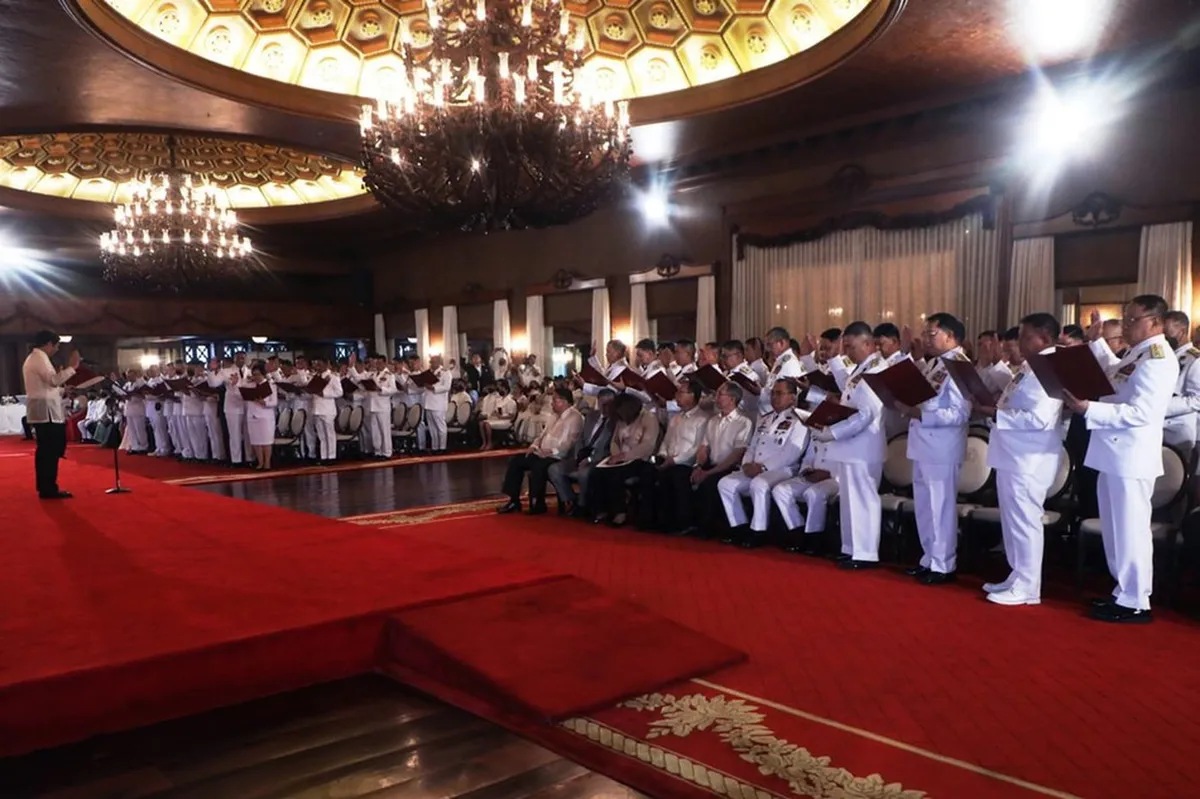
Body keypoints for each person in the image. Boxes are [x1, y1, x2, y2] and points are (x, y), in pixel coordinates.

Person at [1062, 295, 1178, 623]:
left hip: (1131, 455)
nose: (1126, 326)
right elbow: (1114, 373)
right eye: (1125, 320)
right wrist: (1098, 342)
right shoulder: (1137, 353)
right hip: (1113, 453)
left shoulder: (1158, 357)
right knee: (1114, 528)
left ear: (1155, 322)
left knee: (1131, 529)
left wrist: (1090, 409)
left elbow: (1142, 412)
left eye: (1133, 320)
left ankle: (1136, 599)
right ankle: (1122, 590)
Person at [973, 313, 1064, 606]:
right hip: (1013, 454)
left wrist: (996, 414)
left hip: (1030, 458)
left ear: (1045, 339)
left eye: (1026, 337)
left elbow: (1038, 418)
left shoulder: (1050, 367)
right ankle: (1017, 575)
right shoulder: (1032, 367)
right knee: (1013, 520)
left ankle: (1028, 587)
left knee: (1026, 521)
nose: (1020, 342)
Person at [896, 312, 971, 585]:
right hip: (924, 445)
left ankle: (944, 564)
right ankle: (929, 558)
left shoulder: (959, 365)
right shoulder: (937, 364)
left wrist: (919, 414)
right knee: (926, 507)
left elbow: (960, 413)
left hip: (942, 448)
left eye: (932, 334)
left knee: (941, 507)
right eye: (925, 333)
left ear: (950, 336)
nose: (926, 339)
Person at [812, 321, 889, 568]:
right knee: (849, 500)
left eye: (851, 347)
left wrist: (832, 433)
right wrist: (835, 359)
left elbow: (865, 414)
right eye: (845, 347)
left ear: (868, 344)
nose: (847, 352)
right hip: (851, 447)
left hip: (863, 448)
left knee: (863, 501)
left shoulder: (876, 370)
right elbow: (848, 387)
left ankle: (865, 553)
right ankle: (850, 547)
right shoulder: (862, 367)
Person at [717, 377, 807, 547]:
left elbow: (792, 452)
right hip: (755, 467)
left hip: (783, 469)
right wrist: (746, 464)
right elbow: (752, 446)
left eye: (779, 393)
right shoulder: (765, 418)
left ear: (792, 397)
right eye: (772, 393)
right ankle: (739, 526)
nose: (774, 397)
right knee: (725, 484)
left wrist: (764, 467)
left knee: (759, 484)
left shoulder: (798, 420)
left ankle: (758, 531)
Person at [496, 388, 584, 515]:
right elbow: (541, 435)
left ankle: (537, 502)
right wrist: (534, 446)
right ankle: (514, 500)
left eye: (555, 400)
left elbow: (570, 443)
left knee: (538, 466)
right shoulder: (553, 416)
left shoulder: (575, 417)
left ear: (565, 401)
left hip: (559, 455)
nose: (552, 403)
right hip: (542, 452)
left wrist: (551, 451)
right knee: (516, 461)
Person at [637, 379, 709, 532]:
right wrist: (662, 456)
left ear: (693, 396)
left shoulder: (703, 419)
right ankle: (649, 519)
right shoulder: (676, 417)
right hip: (668, 460)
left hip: (686, 463)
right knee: (647, 472)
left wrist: (674, 460)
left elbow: (697, 447)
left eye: (681, 393)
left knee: (674, 476)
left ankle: (681, 522)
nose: (677, 396)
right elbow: (666, 441)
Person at [22, 331, 81, 499]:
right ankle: (48, 488)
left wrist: (63, 390)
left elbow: (47, 386)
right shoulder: (39, 358)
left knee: (47, 450)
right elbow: (53, 381)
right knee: (49, 451)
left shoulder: (35, 358)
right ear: (48, 343)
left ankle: (46, 486)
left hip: (43, 408)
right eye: (56, 345)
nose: (56, 349)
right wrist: (72, 368)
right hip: (45, 411)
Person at [589, 393, 660, 526]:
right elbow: (615, 441)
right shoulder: (621, 420)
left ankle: (620, 512)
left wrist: (624, 457)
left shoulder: (648, 418)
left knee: (615, 475)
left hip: (640, 459)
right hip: (620, 458)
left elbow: (647, 446)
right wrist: (616, 455)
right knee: (597, 472)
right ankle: (601, 510)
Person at [548, 388, 616, 517]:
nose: (606, 407)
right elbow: (580, 438)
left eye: (609, 404)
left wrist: (590, 459)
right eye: (603, 403)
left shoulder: (615, 421)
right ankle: (570, 499)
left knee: (584, 473)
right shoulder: (592, 416)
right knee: (554, 469)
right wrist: (579, 456)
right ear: (598, 402)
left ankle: (582, 505)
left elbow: (610, 448)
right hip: (582, 455)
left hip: (599, 459)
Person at [243, 362, 279, 471]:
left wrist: (264, 402)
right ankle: (260, 462)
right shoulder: (250, 385)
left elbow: (274, 402)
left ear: (263, 374)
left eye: (258, 374)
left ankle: (267, 462)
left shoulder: (270, 385)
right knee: (256, 440)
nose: (256, 377)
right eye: (254, 374)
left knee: (266, 441)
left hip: (265, 416)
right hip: (252, 415)